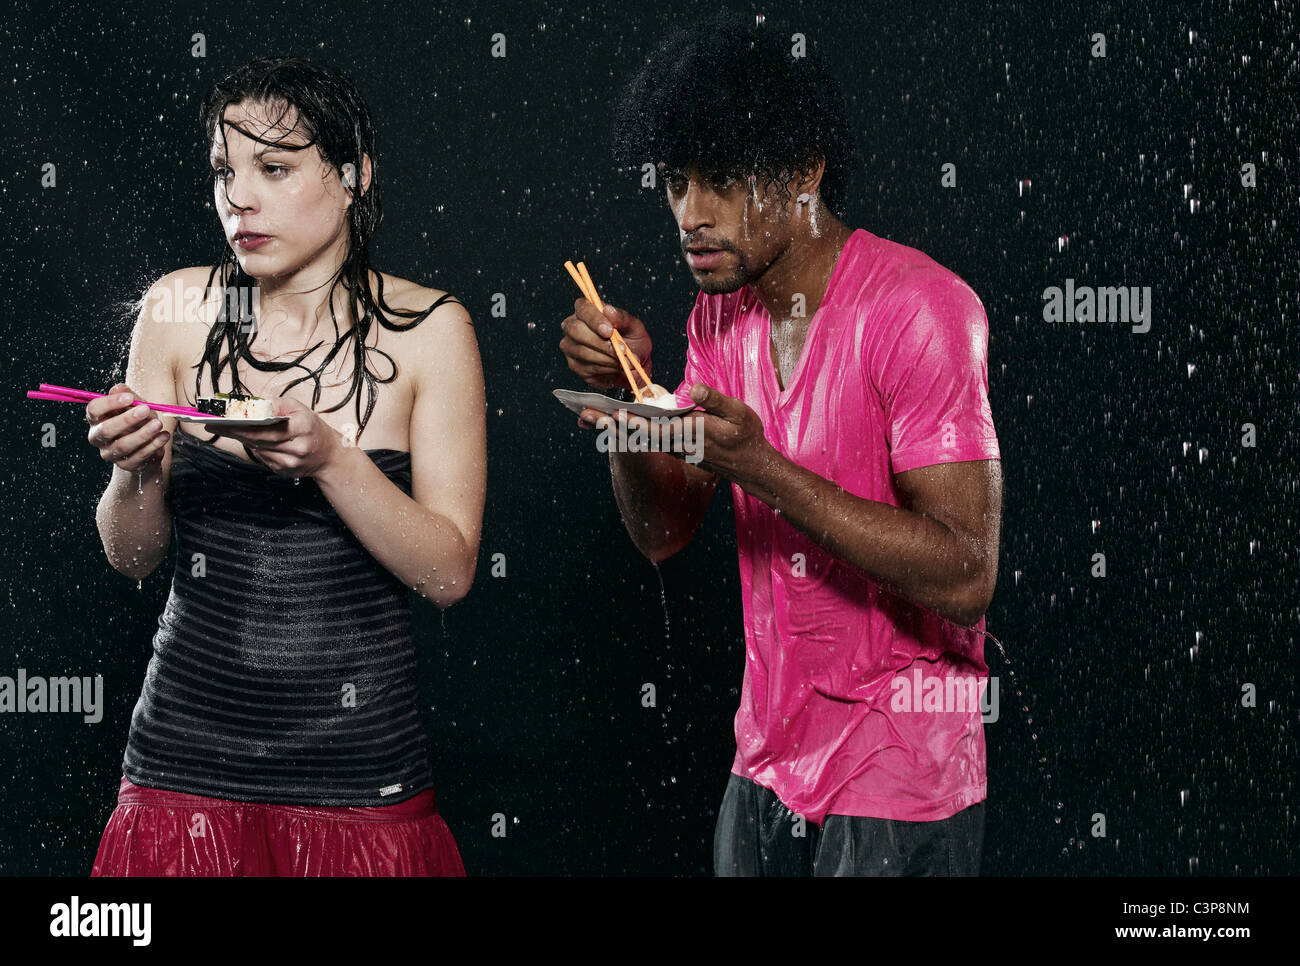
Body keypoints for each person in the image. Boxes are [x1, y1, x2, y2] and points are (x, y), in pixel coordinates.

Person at [559, 16, 1002, 876]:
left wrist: (761, 469)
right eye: (677, 183)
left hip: (898, 768)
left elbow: (965, 574)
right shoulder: (718, 316)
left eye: (721, 180)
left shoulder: (922, 309)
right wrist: (628, 397)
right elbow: (663, 532)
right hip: (764, 760)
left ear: (803, 172)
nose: (692, 213)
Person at [86, 56, 485, 876]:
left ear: (352, 175)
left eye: (274, 168)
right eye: (225, 172)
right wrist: (134, 474)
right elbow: (132, 557)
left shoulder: (431, 330)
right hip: (179, 771)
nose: (240, 197)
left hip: (362, 776)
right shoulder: (176, 309)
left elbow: (448, 573)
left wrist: (334, 459)